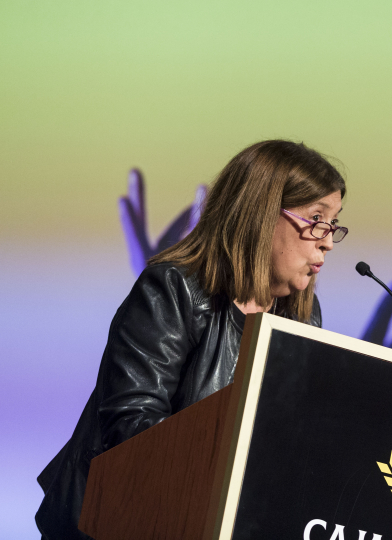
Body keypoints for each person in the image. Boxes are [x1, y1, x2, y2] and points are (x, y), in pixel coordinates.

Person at [35, 140, 347, 540]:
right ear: (262, 213)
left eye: (334, 223)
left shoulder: (301, 314)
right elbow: (132, 427)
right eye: (317, 219)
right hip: (117, 523)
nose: (327, 240)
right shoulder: (173, 289)